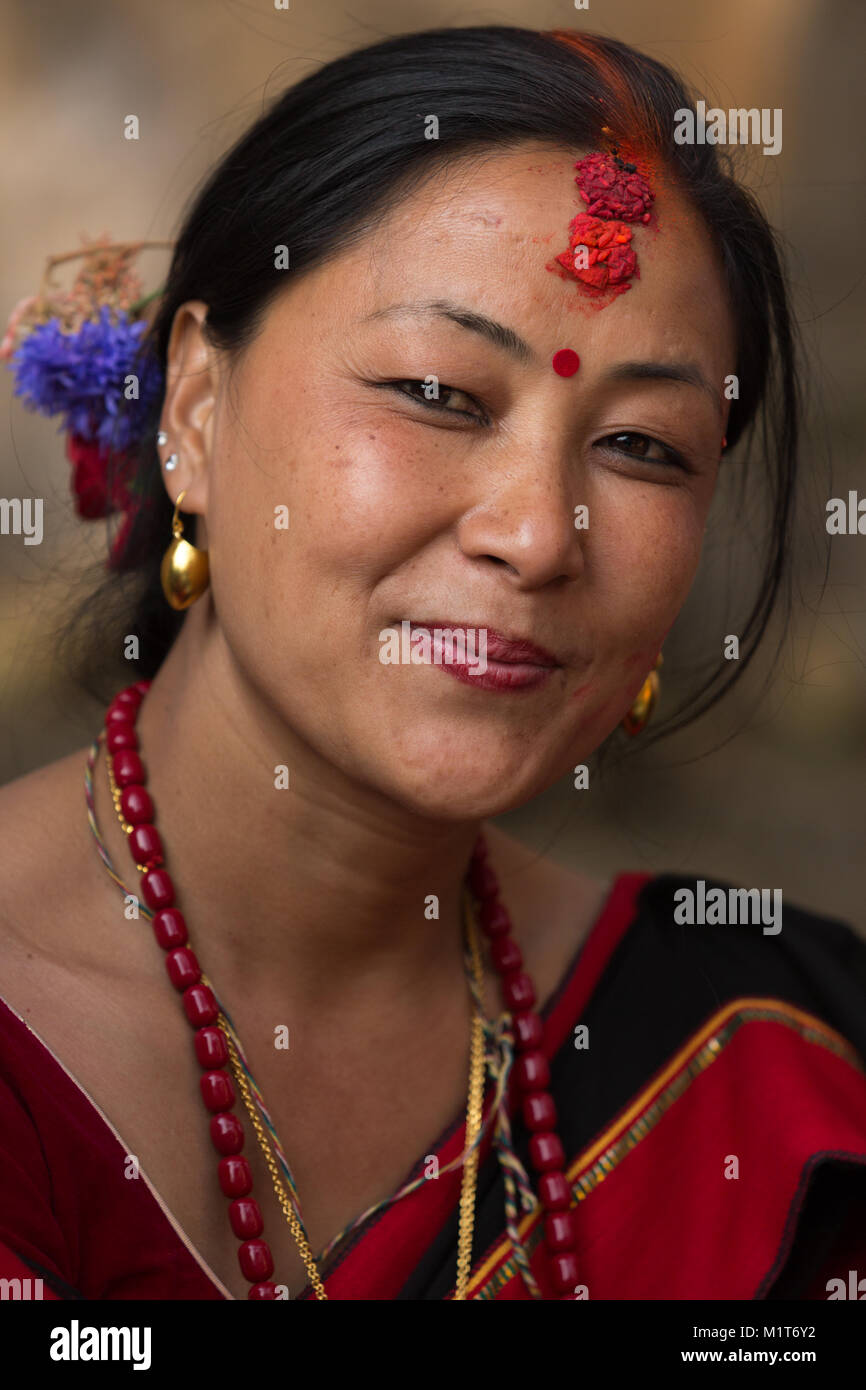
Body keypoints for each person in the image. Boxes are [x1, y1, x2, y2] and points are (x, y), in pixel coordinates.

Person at [0, 25, 864, 1303]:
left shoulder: (782, 1059)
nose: (534, 535)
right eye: (438, 392)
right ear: (191, 408)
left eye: (640, 447)